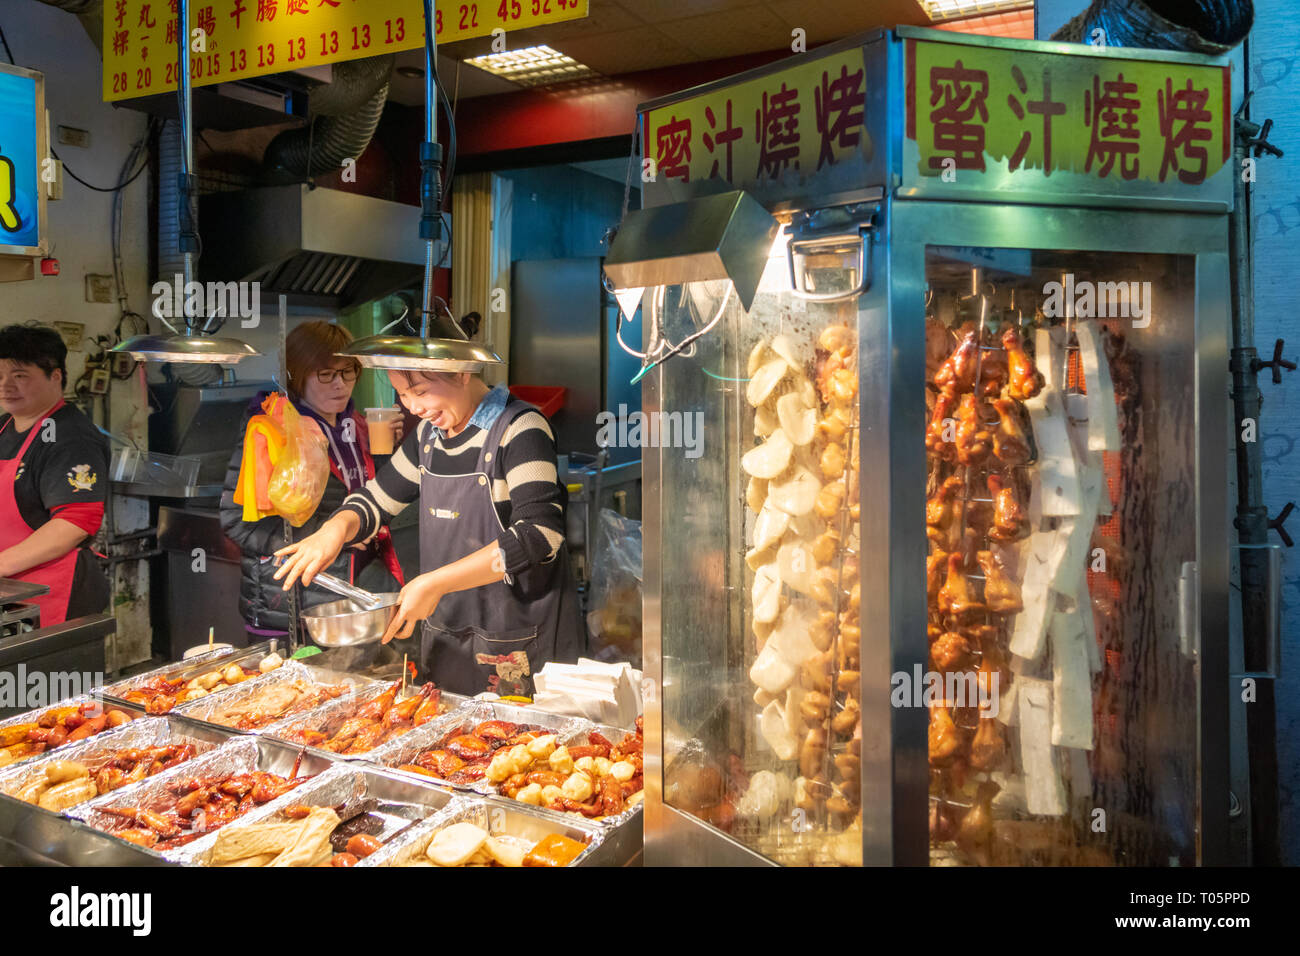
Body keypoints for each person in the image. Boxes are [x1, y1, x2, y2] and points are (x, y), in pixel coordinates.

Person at [274, 369, 583, 696]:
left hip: (518, 640)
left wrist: (436, 584)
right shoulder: (428, 436)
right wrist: (335, 529)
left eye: (419, 391)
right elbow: (377, 499)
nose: (411, 407)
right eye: (403, 395)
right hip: (449, 638)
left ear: (461, 371)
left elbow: (539, 534)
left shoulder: (521, 428)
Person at [219, 321, 403, 639]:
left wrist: (386, 455)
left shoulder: (360, 428)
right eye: (326, 374)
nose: (340, 385)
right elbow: (237, 521)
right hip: (288, 607)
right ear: (297, 374)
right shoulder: (273, 431)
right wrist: (333, 535)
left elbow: (376, 499)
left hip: (350, 602)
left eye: (348, 372)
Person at [0, 324, 110, 627]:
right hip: (11, 590)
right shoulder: (4, 426)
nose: (6, 386)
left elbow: (74, 523)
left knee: (45, 675)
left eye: (20, 376)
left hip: (54, 592)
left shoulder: (72, 438)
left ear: (56, 376)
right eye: (0, 375)